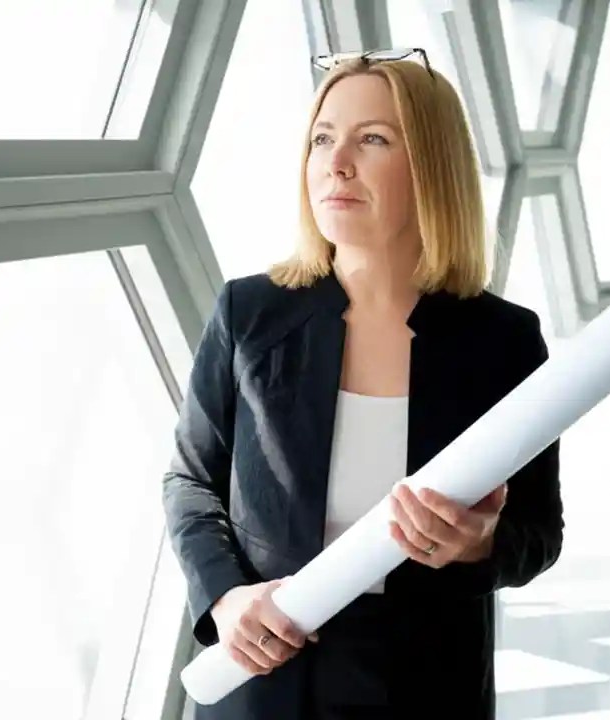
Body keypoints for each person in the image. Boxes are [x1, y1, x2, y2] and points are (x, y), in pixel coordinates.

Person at [162, 48, 564, 719]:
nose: (336, 162)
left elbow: (538, 532)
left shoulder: (504, 340)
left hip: (430, 686)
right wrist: (227, 599)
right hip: (266, 677)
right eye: (323, 138)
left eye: (372, 139)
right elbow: (191, 481)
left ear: (432, 165)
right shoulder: (247, 314)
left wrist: (481, 543)